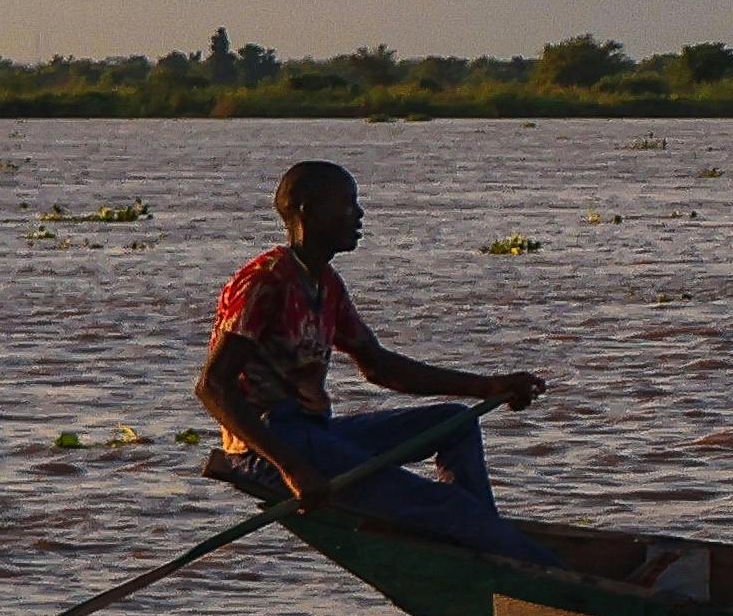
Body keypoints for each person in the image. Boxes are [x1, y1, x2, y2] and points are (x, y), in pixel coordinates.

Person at [198, 160, 556, 562]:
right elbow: (213, 386)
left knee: (454, 423)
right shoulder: (263, 281)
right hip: (270, 446)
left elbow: (378, 365)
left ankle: (478, 537)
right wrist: (292, 467)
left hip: (316, 433)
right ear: (308, 211)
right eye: (347, 204)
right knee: (449, 508)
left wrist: (487, 387)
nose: (359, 214)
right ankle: (523, 562)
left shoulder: (326, 283)